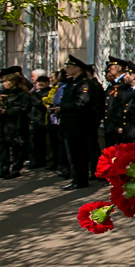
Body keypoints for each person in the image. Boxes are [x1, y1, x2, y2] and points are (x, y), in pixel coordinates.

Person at [54, 55, 95, 190]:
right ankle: (76, 178)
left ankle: (80, 179)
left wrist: (62, 108)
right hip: (68, 121)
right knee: (71, 152)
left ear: (77, 69)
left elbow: (81, 102)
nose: (66, 70)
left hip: (78, 122)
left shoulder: (83, 84)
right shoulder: (72, 83)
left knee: (78, 151)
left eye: (69, 67)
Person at [0, 71, 32, 179]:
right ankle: (4, 169)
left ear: (13, 83)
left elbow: (25, 109)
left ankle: (16, 169)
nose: (4, 84)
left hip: (17, 124)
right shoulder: (3, 94)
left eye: (6, 82)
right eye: (3, 82)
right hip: (4, 125)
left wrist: (7, 111)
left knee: (17, 148)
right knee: (3, 148)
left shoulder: (22, 94)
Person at [104, 56, 132, 146]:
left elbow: (124, 105)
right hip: (110, 126)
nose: (108, 69)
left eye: (111, 67)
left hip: (118, 127)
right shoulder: (112, 84)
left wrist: (121, 125)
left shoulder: (124, 84)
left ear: (119, 68)